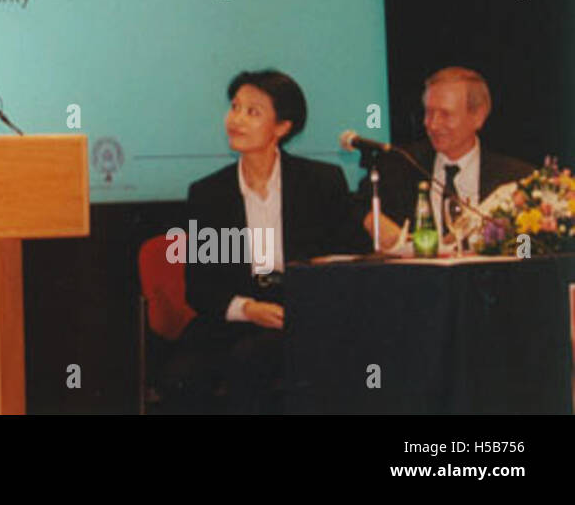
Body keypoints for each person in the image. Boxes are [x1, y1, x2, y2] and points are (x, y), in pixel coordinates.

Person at [178, 70, 366, 413]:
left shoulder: (320, 182)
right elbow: (199, 287)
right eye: (234, 107)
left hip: (297, 314)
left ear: (282, 127)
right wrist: (248, 309)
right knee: (183, 373)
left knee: (249, 360)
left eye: (253, 112)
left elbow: (349, 259)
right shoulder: (208, 194)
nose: (236, 120)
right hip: (237, 314)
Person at [359, 67, 533, 249]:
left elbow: (529, 252)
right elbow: (353, 206)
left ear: (478, 116)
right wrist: (372, 220)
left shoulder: (517, 179)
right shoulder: (400, 164)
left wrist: (522, 249)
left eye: (445, 114)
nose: (433, 124)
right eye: (428, 113)